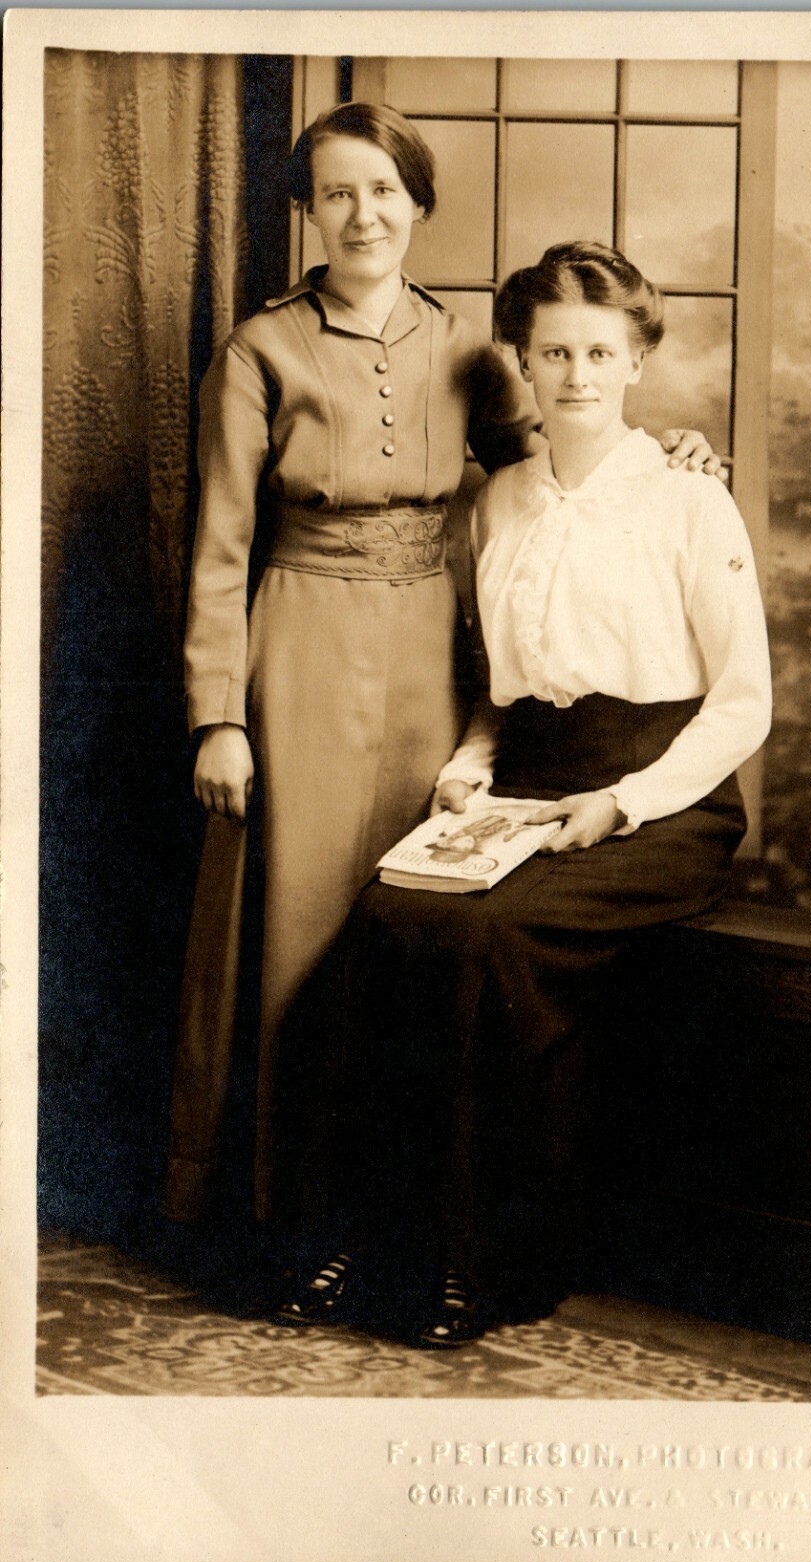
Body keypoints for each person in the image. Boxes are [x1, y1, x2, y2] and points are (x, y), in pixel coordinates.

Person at [164, 107, 722, 1231]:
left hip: (430, 652)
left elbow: (559, 456)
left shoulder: (466, 348)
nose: (362, 214)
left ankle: (389, 1217)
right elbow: (219, 548)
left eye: (384, 190)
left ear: (418, 202)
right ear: (307, 211)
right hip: (300, 644)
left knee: (408, 923)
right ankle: (281, 1216)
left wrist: (668, 450)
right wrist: (216, 716)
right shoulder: (259, 349)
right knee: (297, 923)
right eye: (335, 193)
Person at [276, 241, 772, 1347]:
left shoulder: (690, 505)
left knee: (489, 940)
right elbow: (502, 691)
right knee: (390, 917)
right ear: (522, 361)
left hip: (663, 803)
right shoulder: (497, 501)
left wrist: (625, 802)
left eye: (600, 350)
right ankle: (363, 1240)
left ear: (637, 358)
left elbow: (741, 707)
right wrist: (466, 773)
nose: (577, 374)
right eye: (553, 351)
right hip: (529, 786)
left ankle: (483, 1258)